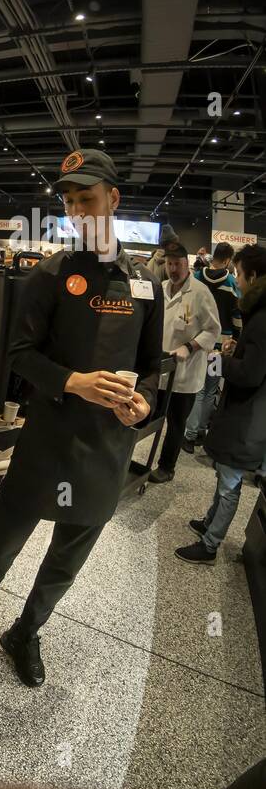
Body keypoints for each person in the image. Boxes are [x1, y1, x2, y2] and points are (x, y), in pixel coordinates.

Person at [0, 149, 162, 686]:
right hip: (48, 441)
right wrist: (74, 381)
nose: (79, 210)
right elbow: (18, 355)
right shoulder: (50, 275)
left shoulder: (145, 283)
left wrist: (145, 401)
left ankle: (26, 631)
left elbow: (153, 367)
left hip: (107, 448)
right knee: (2, 546)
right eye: (69, 201)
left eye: (88, 199)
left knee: (66, 563)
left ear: (113, 199)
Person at [175, 244, 266, 564]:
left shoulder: (261, 318)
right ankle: (209, 523)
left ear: (253, 276)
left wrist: (217, 360)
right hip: (246, 414)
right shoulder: (258, 316)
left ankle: (211, 544)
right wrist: (235, 350)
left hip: (249, 418)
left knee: (229, 483)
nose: (237, 280)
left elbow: (252, 373)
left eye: (240, 275)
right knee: (224, 475)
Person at [149, 245, 220, 483]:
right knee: (150, 417)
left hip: (186, 374)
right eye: (169, 264)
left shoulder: (200, 293)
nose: (173, 269)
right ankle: (141, 460)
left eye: (178, 264)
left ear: (186, 263)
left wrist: (189, 347)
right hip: (160, 369)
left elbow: (213, 330)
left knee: (176, 424)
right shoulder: (161, 289)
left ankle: (167, 467)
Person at [183, 242, 240, 452]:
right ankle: (199, 432)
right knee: (210, 388)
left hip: (198, 341)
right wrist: (235, 338)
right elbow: (236, 316)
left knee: (197, 387)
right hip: (219, 345)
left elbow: (187, 307)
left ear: (214, 256)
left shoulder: (197, 277)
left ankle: (188, 436)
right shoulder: (232, 282)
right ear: (227, 260)